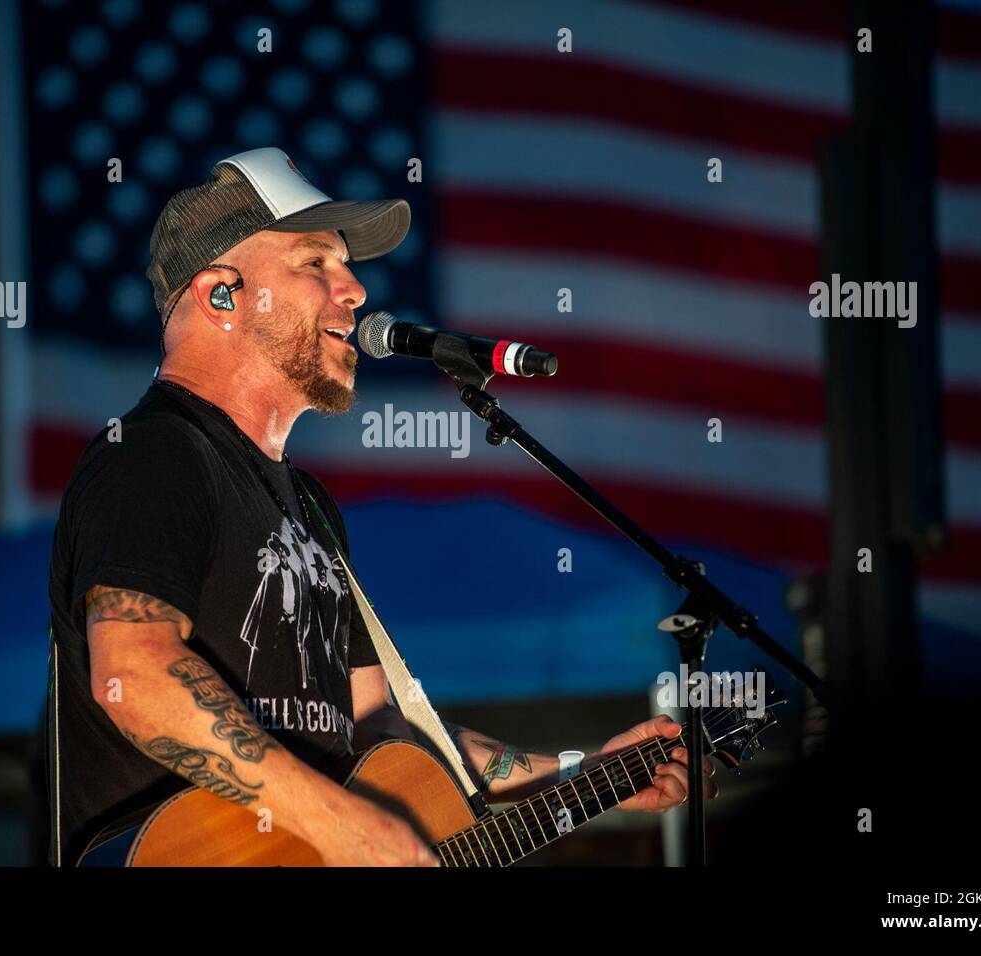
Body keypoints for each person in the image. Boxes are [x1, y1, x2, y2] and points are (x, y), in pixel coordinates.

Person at [43, 147, 717, 866]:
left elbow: (384, 731)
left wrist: (584, 774)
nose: (356, 290)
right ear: (221, 296)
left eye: (347, 266)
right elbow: (136, 676)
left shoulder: (309, 509)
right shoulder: (153, 454)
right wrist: (340, 825)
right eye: (315, 263)